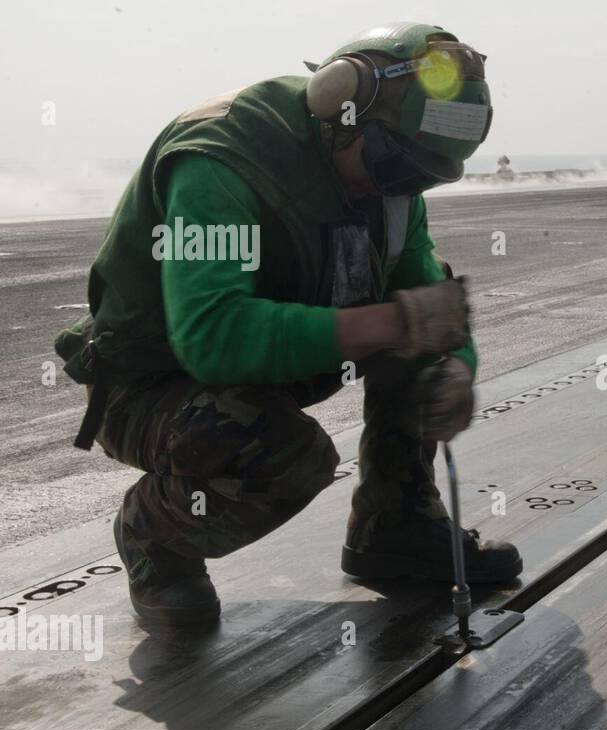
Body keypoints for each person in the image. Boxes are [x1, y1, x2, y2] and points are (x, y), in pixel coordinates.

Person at [52, 22, 521, 627]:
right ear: (339, 107)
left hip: (277, 361)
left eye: (420, 176)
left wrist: (455, 367)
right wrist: (391, 323)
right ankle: (155, 534)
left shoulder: (391, 178)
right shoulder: (220, 161)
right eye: (390, 165)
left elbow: (429, 292)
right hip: (153, 383)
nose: (398, 188)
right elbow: (212, 336)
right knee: (286, 454)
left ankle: (395, 524)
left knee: (418, 331)